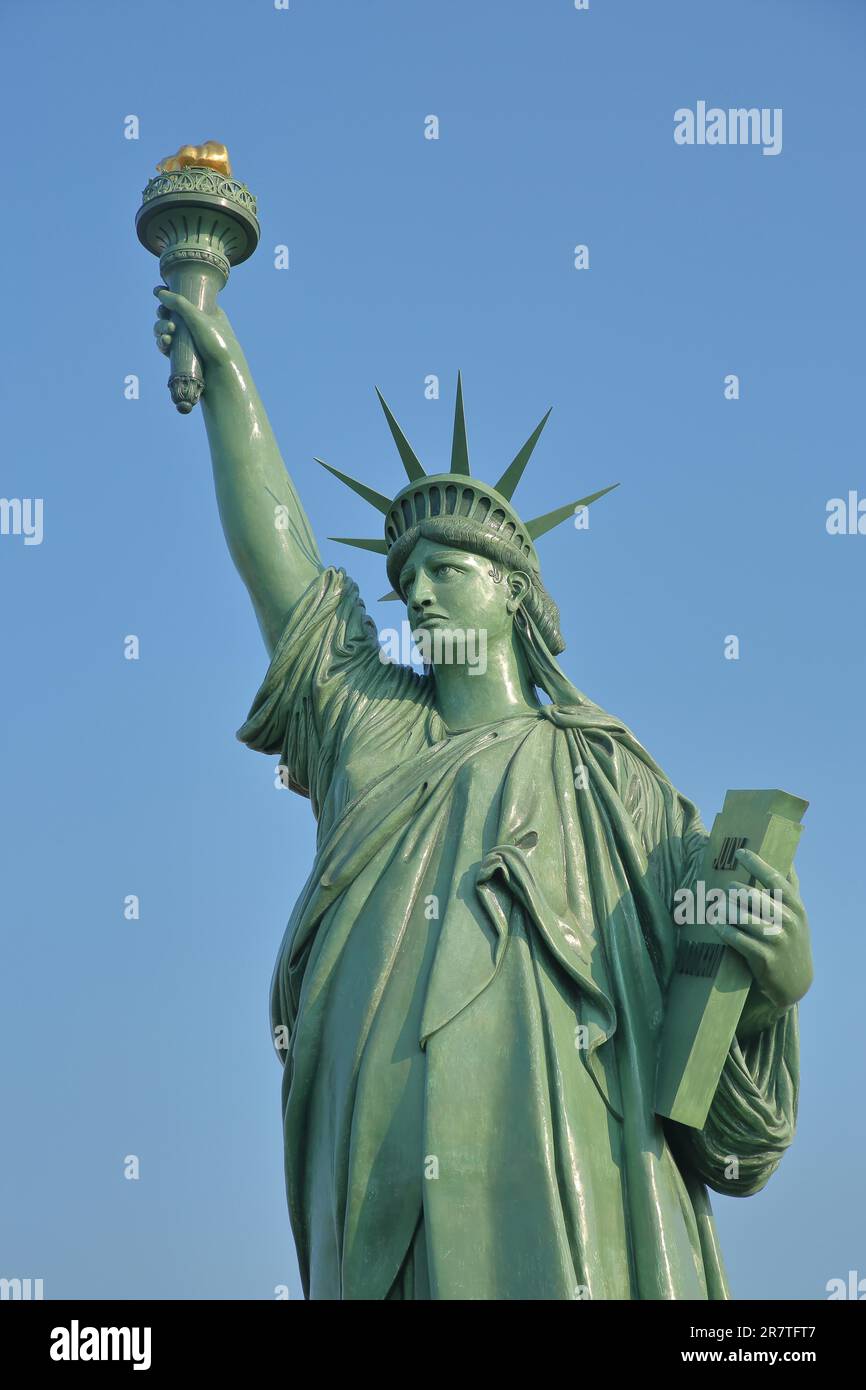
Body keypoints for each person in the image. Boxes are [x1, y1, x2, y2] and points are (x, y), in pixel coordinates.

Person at [151, 287, 813, 1300]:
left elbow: (720, 1118)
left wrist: (773, 986)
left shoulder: (617, 788)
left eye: (446, 568)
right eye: (404, 574)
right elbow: (277, 564)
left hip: (578, 1203)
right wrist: (228, 370)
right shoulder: (368, 727)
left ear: (510, 589)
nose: (416, 591)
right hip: (383, 1197)